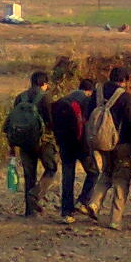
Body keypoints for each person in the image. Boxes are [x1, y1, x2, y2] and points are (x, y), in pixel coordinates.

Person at [4, 70, 57, 216]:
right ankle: (35, 194)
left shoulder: (20, 97)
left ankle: (29, 211)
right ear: (44, 83)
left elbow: (12, 122)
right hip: (43, 142)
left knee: (29, 175)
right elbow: (51, 121)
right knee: (51, 169)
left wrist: (12, 145)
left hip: (23, 142)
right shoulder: (46, 98)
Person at [92, 66, 131, 230]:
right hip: (121, 144)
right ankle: (115, 219)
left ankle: (94, 203)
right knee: (121, 179)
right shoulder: (125, 97)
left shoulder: (97, 92)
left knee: (106, 172)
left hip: (101, 142)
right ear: (124, 80)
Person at [51, 77, 99, 224]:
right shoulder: (87, 100)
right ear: (90, 91)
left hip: (65, 145)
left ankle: (66, 212)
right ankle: (82, 200)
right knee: (94, 172)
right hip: (81, 145)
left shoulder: (62, 101)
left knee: (68, 177)